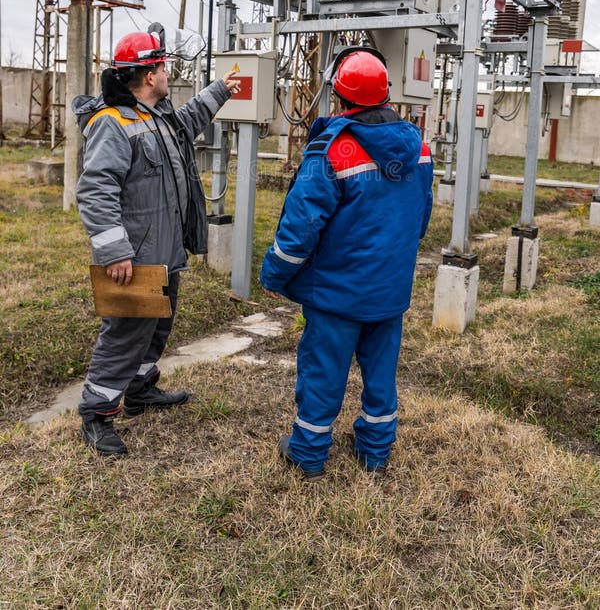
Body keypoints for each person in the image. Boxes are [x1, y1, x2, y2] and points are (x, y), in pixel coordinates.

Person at [260, 47, 433, 479]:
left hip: (337, 294)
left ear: (339, 96)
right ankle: (375, 452)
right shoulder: (420, 148)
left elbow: (301, 228)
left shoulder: (332, 151)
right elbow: (422, 215)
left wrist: (274, 273)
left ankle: (308, 453)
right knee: (380, 375)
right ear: (387, 94)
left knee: (323, 374)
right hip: (390, 291)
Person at [73, 27, 240, 457]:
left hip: (163, 254)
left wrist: (220, 90)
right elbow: (95, 190)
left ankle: (140, 390)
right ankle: (97, 414)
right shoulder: (112, 123)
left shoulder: (156, 116)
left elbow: (186, 123)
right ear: (149, 75)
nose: (167, 73)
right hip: (135, 257)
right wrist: (114, 252)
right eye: (163, 66)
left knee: (156, 328)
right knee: (126, 334)